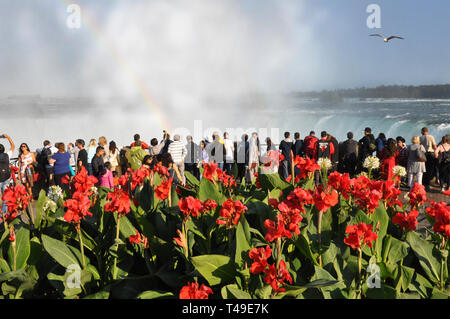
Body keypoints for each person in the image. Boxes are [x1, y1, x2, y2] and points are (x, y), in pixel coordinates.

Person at [0, 133, 15, 214]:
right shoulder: (7, 155)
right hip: (6, 177)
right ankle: (4, 212)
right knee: (5, 195)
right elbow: (13, 146)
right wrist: (8, 137)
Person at [420, 127, 437, 191]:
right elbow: (434, 146)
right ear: (427, 131)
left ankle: (423, 183)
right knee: (429, 169)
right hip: (430, 154)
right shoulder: (431, 137)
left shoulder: (420, 138)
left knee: (423, 169)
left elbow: (420, 146)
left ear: (422, 131)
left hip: (423, 154)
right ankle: (427, 185)